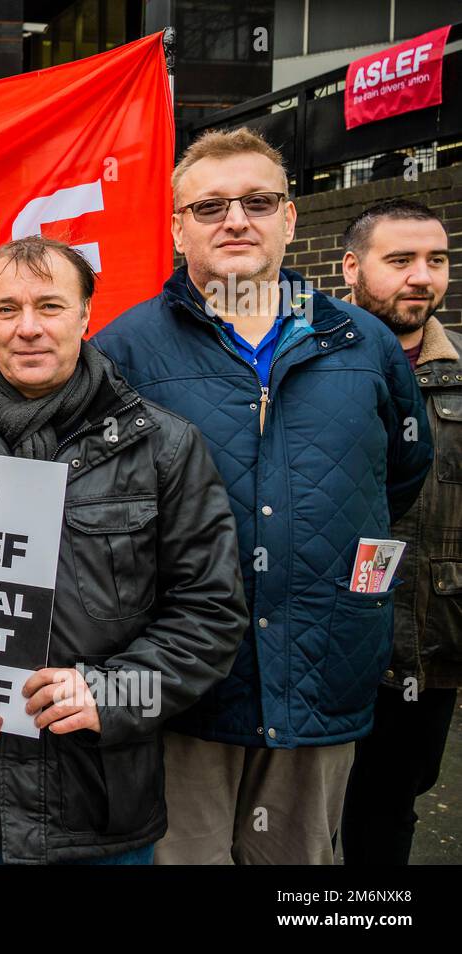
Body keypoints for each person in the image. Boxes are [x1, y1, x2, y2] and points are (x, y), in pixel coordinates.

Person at [92, 128, 433, 864]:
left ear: (290, 218)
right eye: (210, 206)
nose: (235, 220)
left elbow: (400, 474)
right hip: (186, 692)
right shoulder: (123, 350)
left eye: (258, 200)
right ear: (177, 226)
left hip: (321, 673)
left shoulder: (363, 343)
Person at [0, 235, 247, 865]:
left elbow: (212, 611)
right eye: (7, 309)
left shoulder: (163, 446)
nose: (27, 328)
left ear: (86, 315)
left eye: (50, 306)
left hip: (103, 805)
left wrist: (113, 694)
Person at [340, 198, 458, 864]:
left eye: (436, 260)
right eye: (401, 260)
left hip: (425, 645)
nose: (422, 276)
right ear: (352, 268)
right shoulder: (301, 363)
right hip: (320, 637)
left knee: (387, 814)